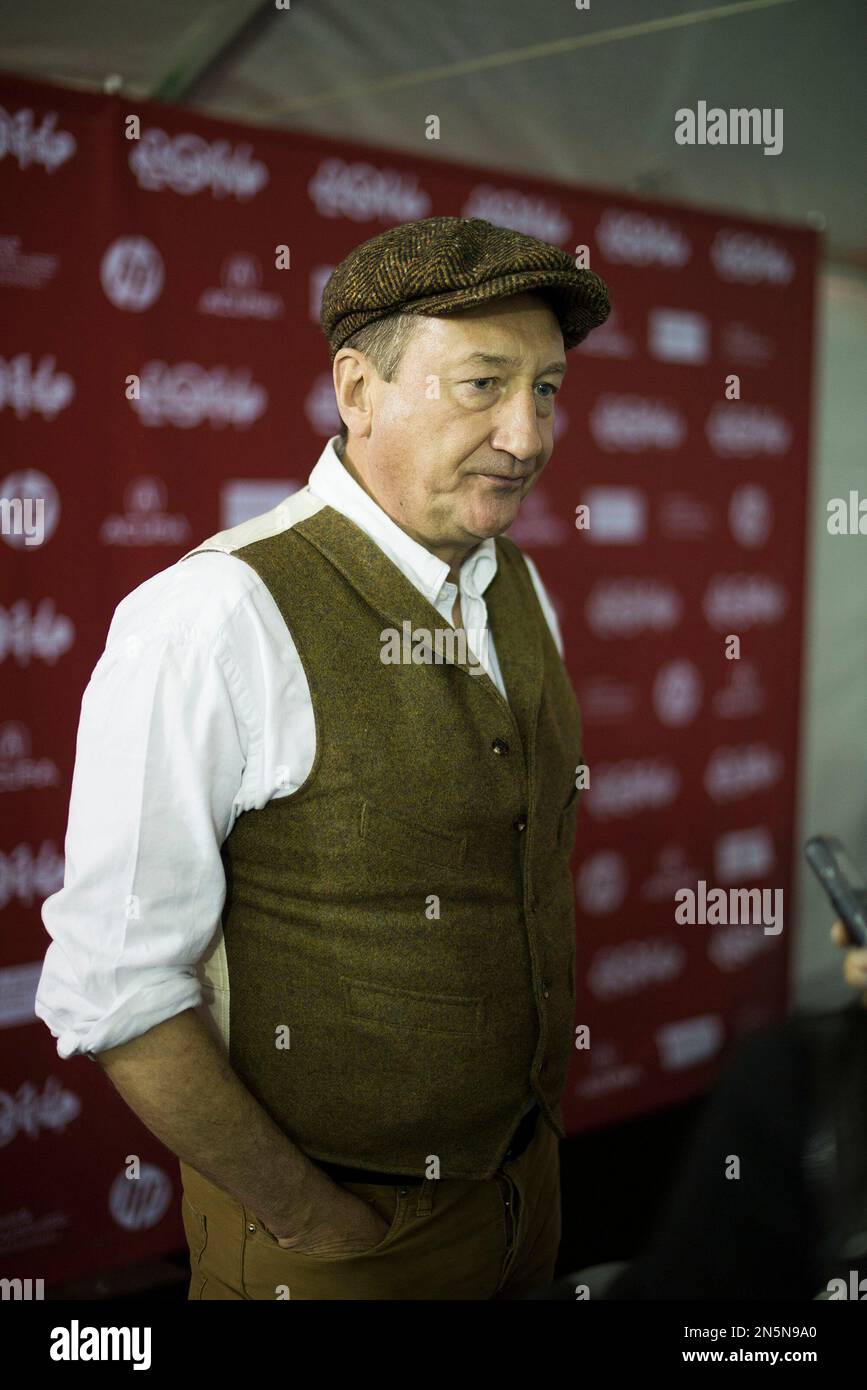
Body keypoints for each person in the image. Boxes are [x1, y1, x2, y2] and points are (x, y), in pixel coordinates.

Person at [35, 215, 611, 1300]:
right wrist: (310, 1220)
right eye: (482, 383)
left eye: (545, 389)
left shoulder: (519, 586)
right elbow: (112, 989)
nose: (528, 437)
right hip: (339, 1243)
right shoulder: (211, 617)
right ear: (358, 390)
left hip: (523, 1194)